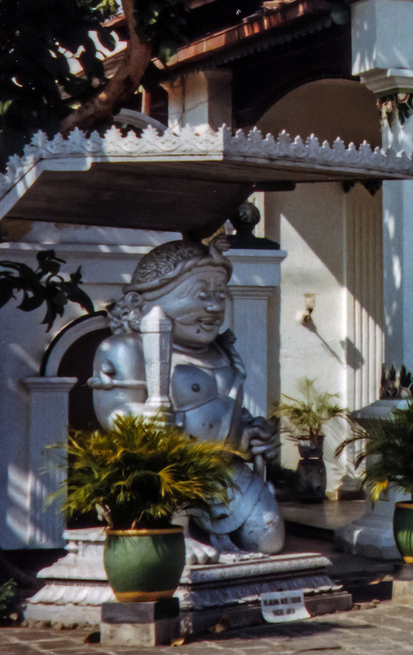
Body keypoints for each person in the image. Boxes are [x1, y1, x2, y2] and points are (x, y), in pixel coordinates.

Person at [89, 236, 284, 557]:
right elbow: (113, 411)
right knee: (158, 494)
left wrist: (253, 434)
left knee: (268, 539)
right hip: (162, 470)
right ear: (142, 304)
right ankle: (173, 535)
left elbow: (228, 411)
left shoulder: (222, 352)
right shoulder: (126, 349)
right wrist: (140, 419)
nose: (215, 306)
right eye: (199, 295)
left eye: (220, 295)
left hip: (221, 470)